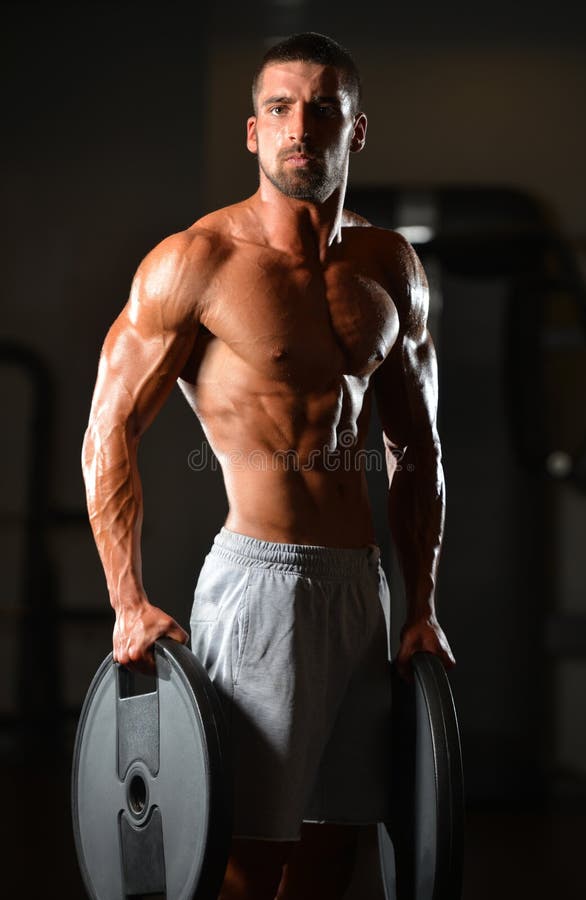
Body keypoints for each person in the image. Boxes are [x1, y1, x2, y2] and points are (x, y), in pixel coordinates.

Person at [82, 31, 455, 900]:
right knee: (250, 857)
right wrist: (126, 600)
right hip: (260, 586)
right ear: (252, 133)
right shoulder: (197, 263)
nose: (300, 126)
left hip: (361, 590)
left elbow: (417, 448)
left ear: (355, 131)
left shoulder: (390, 267)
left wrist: (421, 604)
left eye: (323, 108)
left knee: (338, 849)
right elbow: (108, 431)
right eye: (279, 108)